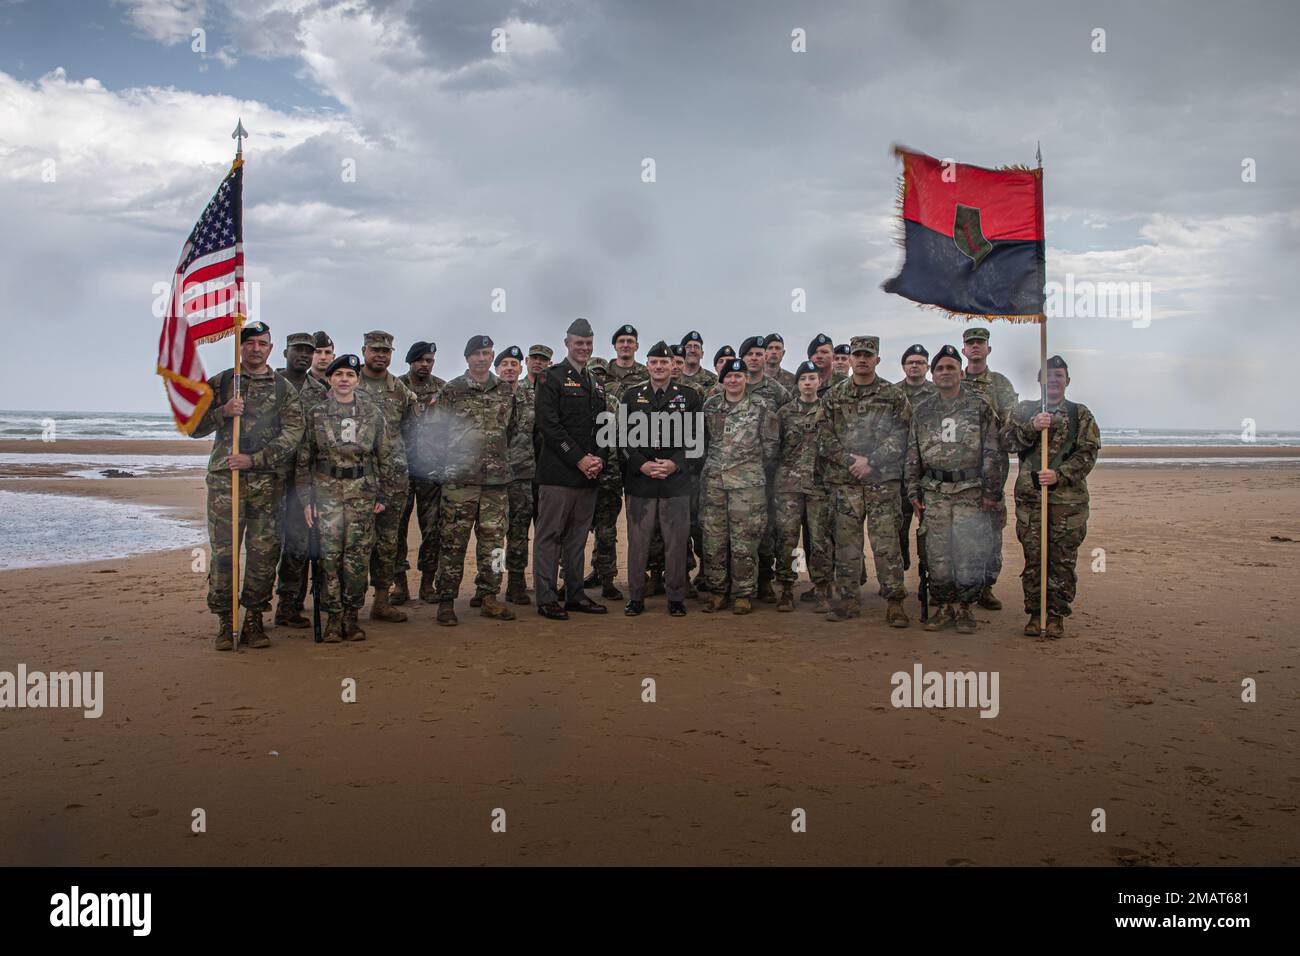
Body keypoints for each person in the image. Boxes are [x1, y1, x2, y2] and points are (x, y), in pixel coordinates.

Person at [190, 321, 305, 651]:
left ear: (271, 349)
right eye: (249, 342)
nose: (256, 348)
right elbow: (192, 426)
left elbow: (292, 435)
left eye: (262, 343)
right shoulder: (224, 382)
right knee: (225, 555)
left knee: (263, 555)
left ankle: (254, 619)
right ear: (240, 347)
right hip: (227, 484)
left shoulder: (283, 389)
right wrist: (222, 412)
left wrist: (255, 460)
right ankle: (226, 621)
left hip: (267, 486)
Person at [297, 354, 404, 642]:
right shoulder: (317, 414)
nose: (344, 379)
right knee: (330, 558)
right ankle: (333, 618)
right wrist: (306, 499)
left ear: (357, 380)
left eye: (350, 374)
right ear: (330, 380)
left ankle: (351, 616)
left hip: (362, 493)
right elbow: (304, 459)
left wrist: (384, 494)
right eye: (339, 374)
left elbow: (386, 455)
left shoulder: (372, 413)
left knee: (356, 558)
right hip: (326, 494)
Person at [905, 345, 1004, 635]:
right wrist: (913, 493)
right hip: (934, 492)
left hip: (970, 490)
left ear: (960, 372)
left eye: (951, 368)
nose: (945, 373)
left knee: (968, 552)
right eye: (940, 369)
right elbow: (913, 454)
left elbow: (993, 452)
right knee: (937, 554)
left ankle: (965, 609)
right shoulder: (922, 410)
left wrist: (991, 492)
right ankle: (944, 607)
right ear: (932, 375)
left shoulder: (979, 407)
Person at [1001, 355, 1101, 638]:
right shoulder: (1024, 410)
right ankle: (1035, 613)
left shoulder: (1080, 414)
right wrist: (1031, 427)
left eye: (1059, 375)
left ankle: (1055, 616)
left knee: (1061, 561)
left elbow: (1088, 452)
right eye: (1049, 375)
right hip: (1031, 501)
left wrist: (1061, 474)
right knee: (1034, 558)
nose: (1054, 380)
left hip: (1067, 505)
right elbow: (1006, 441)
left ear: (1067, 381)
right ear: (1039, 380)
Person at [817, 335, 911, 626]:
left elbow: (903, 433)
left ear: (877, 360)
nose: (861, 359)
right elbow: (823, 433)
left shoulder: (893, 395)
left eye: (867, 355)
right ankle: (847, 600)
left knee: (886, 543)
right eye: (857, 354)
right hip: (845, 482)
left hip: (882, 481)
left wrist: (872, 461)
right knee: (847, 545)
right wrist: (849, 461)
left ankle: (894, 601)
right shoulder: (834, 394)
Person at [428, 335, 517, 626]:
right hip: (460, 483)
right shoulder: (451, 390)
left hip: (495, 483)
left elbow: (511, 430)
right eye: (477, 353)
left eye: (487, 353)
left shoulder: (504, 390)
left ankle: (490, 596)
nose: (482, 358)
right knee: (453, 543)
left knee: (495, 545)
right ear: (467, 358)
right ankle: (446, 601)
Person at [533, 318, 610, 619]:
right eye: (579, 343)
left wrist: (598, 459)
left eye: (589, 343)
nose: (584, 348)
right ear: (567, 344)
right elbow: (549, 426)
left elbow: (603, 426)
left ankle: (575, 594)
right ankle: (546, 597)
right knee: (549, 537)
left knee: (578, 539)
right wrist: (579, 458)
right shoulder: (550, 378)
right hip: (558, 474)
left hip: (588, 475)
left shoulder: (596, 382)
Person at [620, 341, 700, 617]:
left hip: (674, 483)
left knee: (676, 543)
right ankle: (636, 598)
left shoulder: (689, 396)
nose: (658, 367)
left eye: (664, 362)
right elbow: (621, 438)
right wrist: (641, 465)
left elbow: (697, 438)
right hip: (640, 483)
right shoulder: (631, 396)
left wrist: (675, 464)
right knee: (638, 544)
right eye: (654, 362)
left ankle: (676, 597)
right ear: (647, 364)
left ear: (672, 366)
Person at [700, 358, 780, 614]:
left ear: (746, 378)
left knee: (744, 542)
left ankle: (743, 593)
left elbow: (770, 447)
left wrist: (750, 470)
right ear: (722, 379)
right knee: (714, 540)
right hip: (714, 483)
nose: (733, 380)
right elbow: (702, 442)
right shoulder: (710, 406)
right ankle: (717, 591)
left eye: (738, 376)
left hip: (747, 486)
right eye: (729, 376)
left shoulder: (762, 406)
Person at [355, 330, 420, 623]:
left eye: (386, 351)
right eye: (375, 349)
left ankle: (382, 600)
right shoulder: (348, 382)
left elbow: (412, 428)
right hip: (354, 479)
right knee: (355, 542)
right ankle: (350, 605)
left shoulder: (400, 390)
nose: (380, 355)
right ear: (364, 350)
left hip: (393, 478)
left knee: (388, 541)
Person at [961, 326, 1020, 611]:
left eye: (980, 343)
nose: (975, 347)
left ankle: (986, 586)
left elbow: (1010, 426)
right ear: (963, 350)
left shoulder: (999, 385)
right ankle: (959, 589)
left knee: (990, 535)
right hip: (958, 476)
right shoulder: (951, 380)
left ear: (988, 349)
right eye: (970, 343)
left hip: (991, 473)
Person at [273, 332, 328, 629]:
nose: (304, 356)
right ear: (285, 352)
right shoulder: (268, 385)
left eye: (309, 351)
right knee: (266, 546)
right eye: (299, 350)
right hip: (267, 476)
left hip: (301, 481)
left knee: (298, 544)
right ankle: (253, 609)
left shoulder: (318, 391)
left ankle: (289, 605)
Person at [773, 360, 832, 612]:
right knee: (788, 539)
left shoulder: (829, 411)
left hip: (818, 486)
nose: (808, 383)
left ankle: (820, 587)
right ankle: (787, 586)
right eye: (803, 379)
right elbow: (774, 449)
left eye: (812, 378)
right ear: (797, 384)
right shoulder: (784, 413)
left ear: (820, 382)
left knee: (819, 539)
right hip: (788, 486)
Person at [395, 340, 445, 605]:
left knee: (432, 529)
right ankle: (399, 586)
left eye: (429, 360)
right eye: (420, 360)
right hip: (401, 469)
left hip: (431, 469)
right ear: (410, 362)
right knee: (396, 529)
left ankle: (428, 583)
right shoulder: (396, 388)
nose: (425, 364)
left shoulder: (442, 389)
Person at [495, 346, 537, 605]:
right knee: (493, 535)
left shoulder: (533, 397)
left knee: (519, 532)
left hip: (523, 475)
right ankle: (488, 585)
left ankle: (516, 583)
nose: (510, 368)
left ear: (521, 369)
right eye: (505, 364)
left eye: (514, 364)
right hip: (492, 479)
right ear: (497, 369)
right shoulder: (487, 397)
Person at [585, 357, 626, 599]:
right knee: (575, 532)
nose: (598, 379)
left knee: (606, 532)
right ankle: (569, 579)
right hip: (580, 477)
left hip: (609, 478)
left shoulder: (614, 404)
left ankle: (607, 579)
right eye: (593, 374)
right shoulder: (575, 400)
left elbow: (623, 440)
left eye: (602, 375)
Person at [896, 343, 937, 572]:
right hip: (899, 472)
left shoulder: (937, 393)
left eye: (920, 362)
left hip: (929, 473)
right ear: (903, 366)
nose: (915, 366)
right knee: (898, 526)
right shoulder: (892, 393)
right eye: (911, 362)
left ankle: (928, 573)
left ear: (927, 366)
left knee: (929, 527)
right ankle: (901, 569)